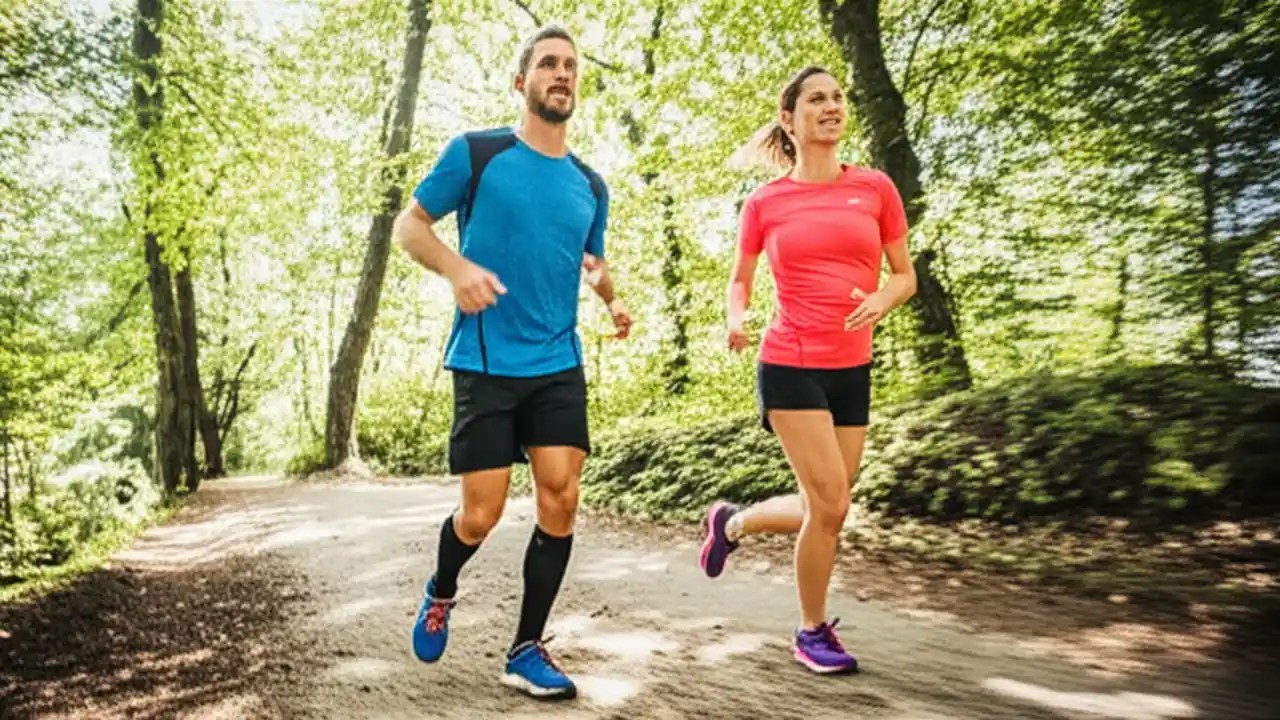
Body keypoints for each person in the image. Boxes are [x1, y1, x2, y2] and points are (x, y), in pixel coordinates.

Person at [392, 25, 631, 700]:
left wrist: (611, 300)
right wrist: (457, 267)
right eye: (548, 64)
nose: (562, 74)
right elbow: (410, 226)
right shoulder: (477, 153)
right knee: (481, 516)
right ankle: (442, 589)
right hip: (487, 360)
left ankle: (526, 647)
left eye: (571, 67)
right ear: (520, 81)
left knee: (561, 496)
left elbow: (594, 260)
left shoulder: (590, 184)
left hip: (557, 359)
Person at [698, 66, 917, 675]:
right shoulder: (766, 201)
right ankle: (811, 632)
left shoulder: (875, 188)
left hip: (853, 368)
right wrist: (735, 318)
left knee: (830, 506)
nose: (832, 106)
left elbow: (905, 275)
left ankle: (731, 523)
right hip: (791, 362)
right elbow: (740, 278)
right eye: (816, 99)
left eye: (838, 97)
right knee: (830, 503)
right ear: (789, 120)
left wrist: (884, 298)